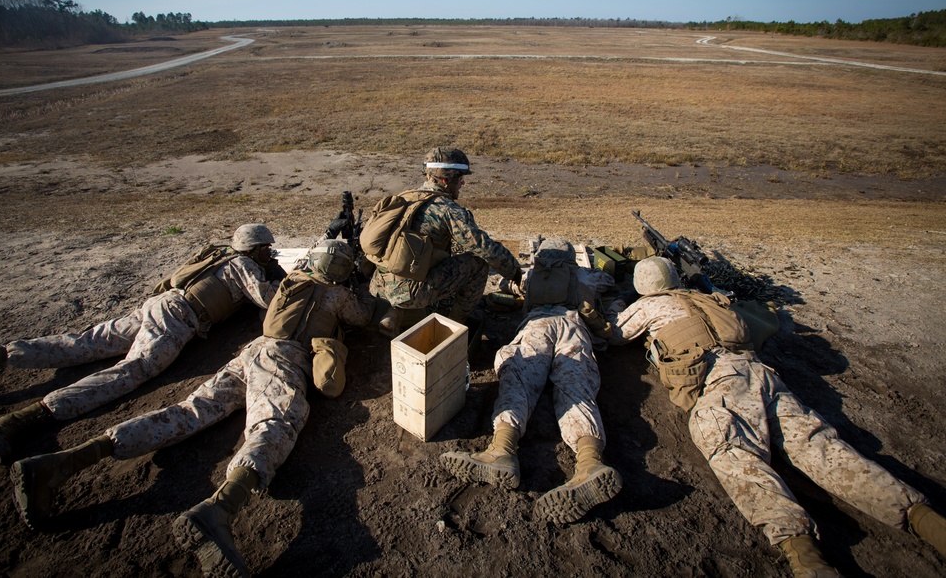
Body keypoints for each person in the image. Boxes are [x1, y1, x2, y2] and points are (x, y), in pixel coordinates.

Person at [11, 239, 374, 578]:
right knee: (276, 424)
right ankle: (220, 510)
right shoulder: (337, 295)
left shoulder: (291, 281)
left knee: (191, 410)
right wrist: (359, 287)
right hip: (284, 361)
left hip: (252, 352)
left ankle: (66, 461)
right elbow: (363, 316)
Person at [583, 256, 946, 577]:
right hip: (762, 376)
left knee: (735, 457)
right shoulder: (710, 299)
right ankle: (924, 519)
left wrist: (617, 304)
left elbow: (616, 335)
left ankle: (804, 554)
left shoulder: (650, 306)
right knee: (821, 447)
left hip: (718, 383)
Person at [0, 224, 284, 466]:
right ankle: (18, 421)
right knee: (132, 371)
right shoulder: (244, 265)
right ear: (254, 249)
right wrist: (277, 277)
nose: (268, 253)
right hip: (178, 318)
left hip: (160, 304)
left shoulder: (220, 254)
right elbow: (269, 302)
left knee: (85, 343)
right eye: (265, 249)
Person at [440, 239, 623, 524]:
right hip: (573, 328)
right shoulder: (585, 277)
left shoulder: (532, 275)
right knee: (577, 387)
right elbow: (609, 281)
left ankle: (502, 449)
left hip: (536, 326)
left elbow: (506, 285)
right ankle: (590, 462)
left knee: (518, 376)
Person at [369, 147, 521, 336]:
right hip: (410, 292)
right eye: (460, 179)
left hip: (379, 286)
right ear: (445, 180)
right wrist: (514, 272)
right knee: (478, 264)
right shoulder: (448, 210)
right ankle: (451, 328)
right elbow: (484, 247)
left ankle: (395, 313)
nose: (462, 184)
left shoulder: (405, 197)